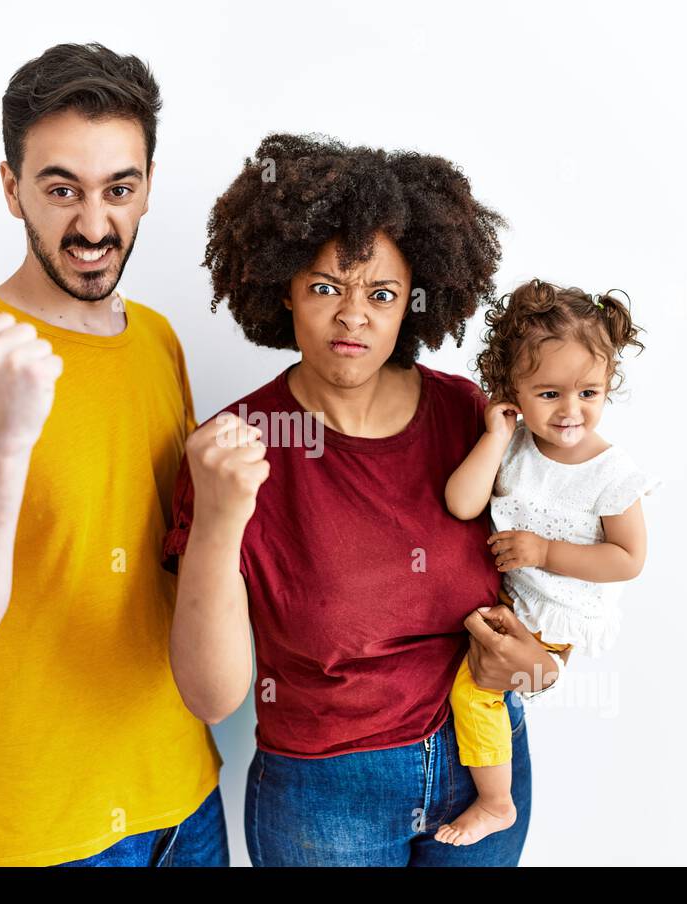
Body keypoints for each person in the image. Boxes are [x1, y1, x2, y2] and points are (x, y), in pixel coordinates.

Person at [164, 133, 568, 866]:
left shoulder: (469, 416)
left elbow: (545, 567)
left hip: (485, 763)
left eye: (381, 293)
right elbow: (210, 696)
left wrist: (539, 666)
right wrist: (221, 520)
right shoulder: (236, 448)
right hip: (326, 796)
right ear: (282, 286)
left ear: (414, 299)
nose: (354, 317)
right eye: (325, 287)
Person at [0, 42, 225, 867]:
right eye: (61, 189)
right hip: (40, 837)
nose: (95, 226)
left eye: (120, 189)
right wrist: (3, 436)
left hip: (188, 802)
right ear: (11, 189)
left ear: (148, 184)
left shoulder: (159, 342)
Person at [436, 278, 663, 845]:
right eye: (549, 394)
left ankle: (495, 803)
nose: (570, 411)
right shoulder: (512, 444)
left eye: (588, 393)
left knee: (475, 691)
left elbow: (628, 559)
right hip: (513, 600)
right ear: (512, 388)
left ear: (608, 386)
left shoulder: (611, 473)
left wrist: (544, 552)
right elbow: (461, 503)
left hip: (555, 614)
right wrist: (494, 436)